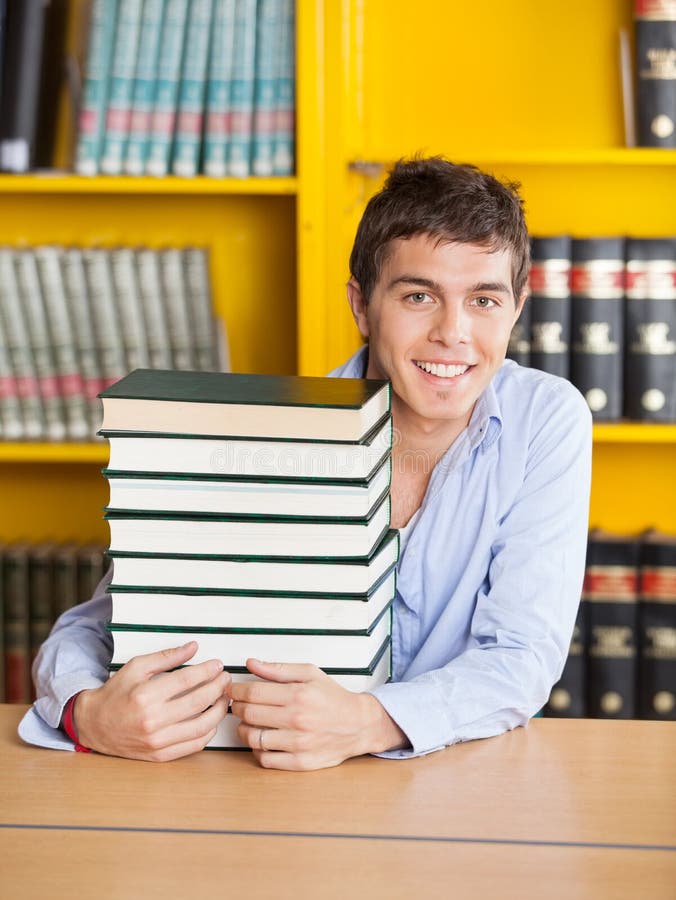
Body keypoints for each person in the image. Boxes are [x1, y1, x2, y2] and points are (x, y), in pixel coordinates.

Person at [19, 157, 592, 769]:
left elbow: (521, 656)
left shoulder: (544, 420)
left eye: (483, 300)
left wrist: (370, 720)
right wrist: (86, 712)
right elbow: (93, 626)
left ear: (517, 307)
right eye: (419, 296)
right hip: (255, 782)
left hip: (455, 784)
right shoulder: (267, 434)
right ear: (362, 306)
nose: (454, 333)